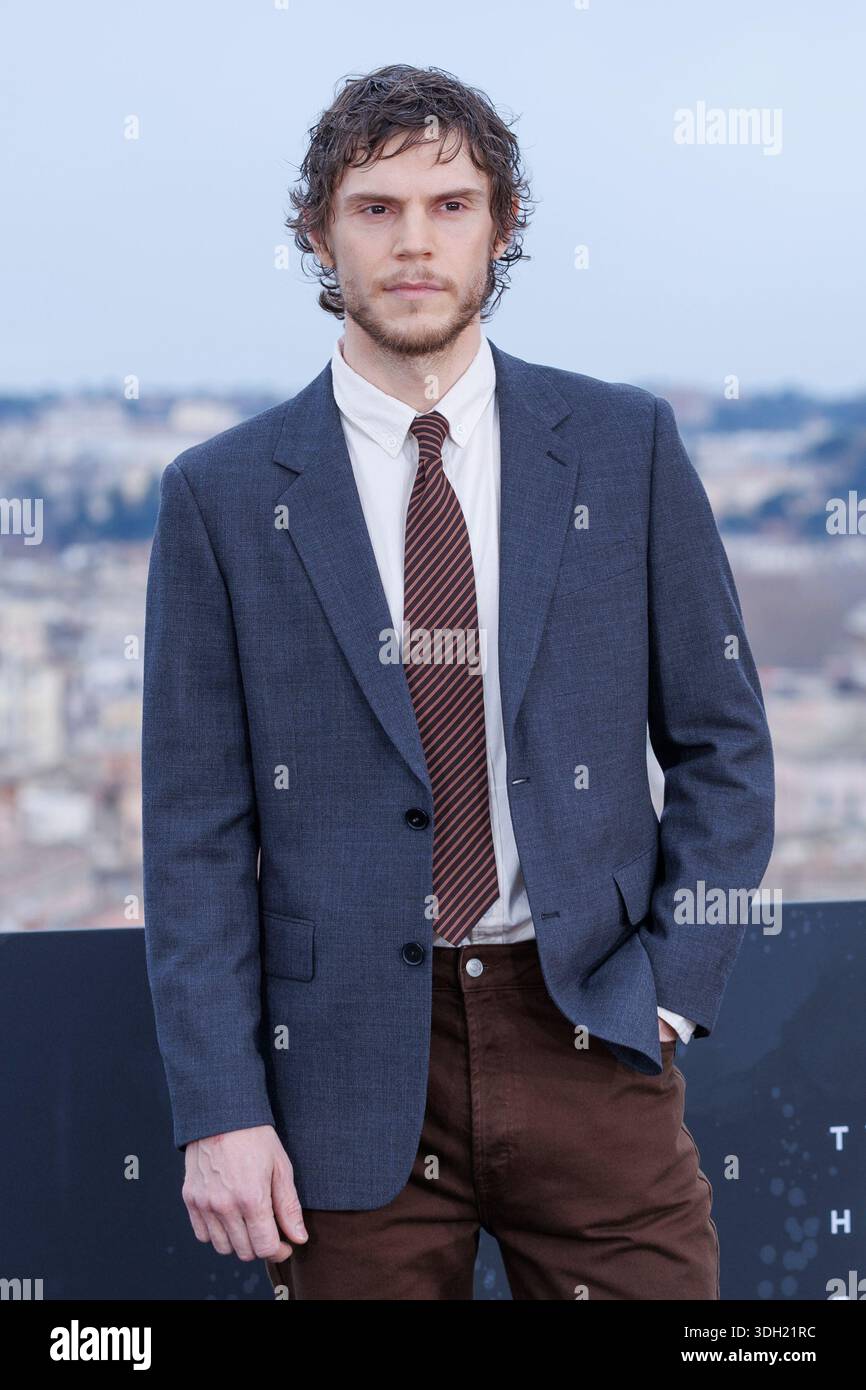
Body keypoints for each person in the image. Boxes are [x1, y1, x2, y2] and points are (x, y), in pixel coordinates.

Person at [141, 63, 774, 1300]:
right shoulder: (217, 496)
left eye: (451, 203)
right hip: (340, 1074)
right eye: (375, 208)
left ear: (502, 227)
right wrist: (219, 1105)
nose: (414, 241)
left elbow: (724, 748)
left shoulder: (621, 445)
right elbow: (193, 835)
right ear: (318, 232)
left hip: (590, 1030)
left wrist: (668, 998)